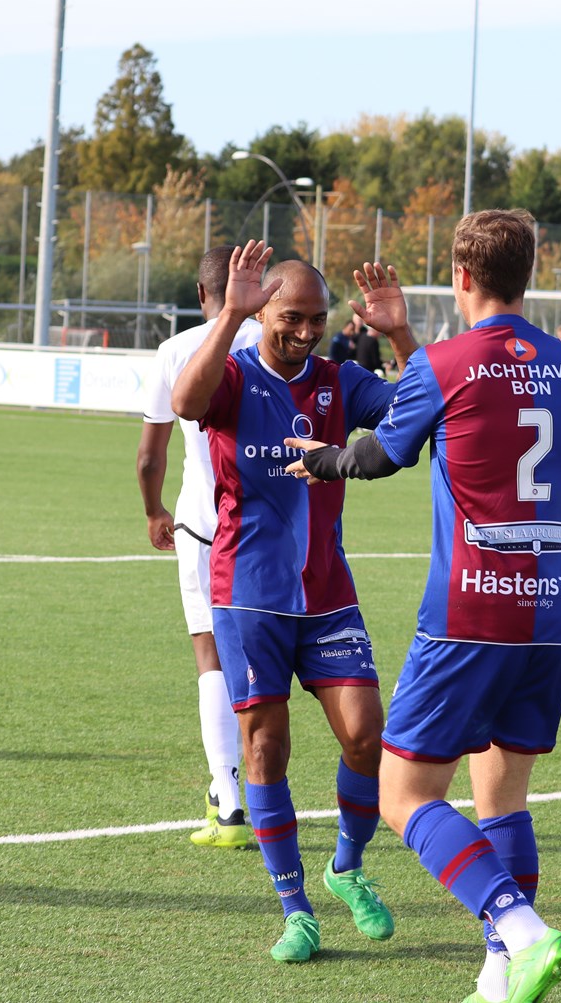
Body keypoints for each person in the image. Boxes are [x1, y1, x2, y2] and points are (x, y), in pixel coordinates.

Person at [284, 208, 561, 1003]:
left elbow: (386, 448)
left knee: (405, 795)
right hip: (551, 607)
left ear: (460, 277)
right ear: (528, 273)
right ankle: (498, 978)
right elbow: (476, 408)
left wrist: (321, 459)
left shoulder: (448, 363)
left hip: (469, 611)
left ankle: (524, 933)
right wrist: (406, 339)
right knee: (502, 797)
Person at [171, 240, 415, 964]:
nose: (307, 330)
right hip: (248, 596)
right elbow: (186, 402)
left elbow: (428, 403)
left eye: (317, 317)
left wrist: (398, 333)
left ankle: (347, 867)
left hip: (328, 593)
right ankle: (296, 907)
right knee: (267, 748)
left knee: (367, 734)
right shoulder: (234, 373)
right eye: (291, 317)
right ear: (262, 310)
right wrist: (232, 319)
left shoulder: (341, 380)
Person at [136, 245, 259, 849]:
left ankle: (228, 800)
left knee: (210, 655)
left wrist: (153, 509)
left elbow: (150, 453)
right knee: (272, 661)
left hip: (202, 524)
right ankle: (264, 794)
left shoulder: (175, 349)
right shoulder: (279, 334)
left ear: (199, 290)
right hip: (271, 524)